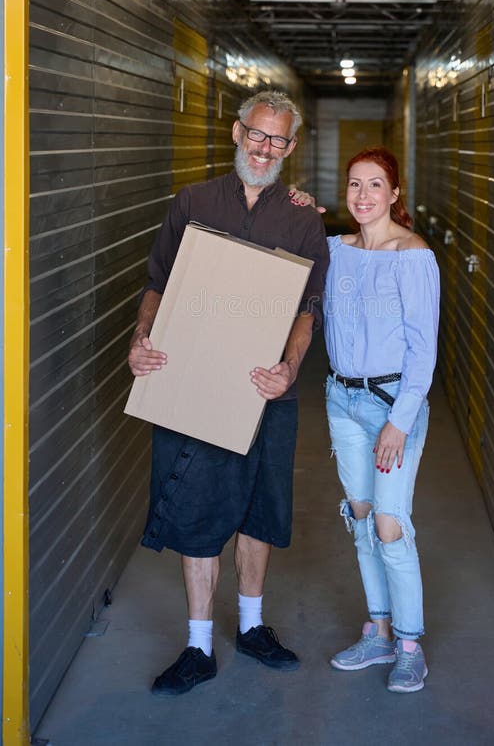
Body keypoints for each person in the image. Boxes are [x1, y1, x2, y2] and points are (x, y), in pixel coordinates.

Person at [128, 90, 329, 697]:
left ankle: (250, 626)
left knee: (259, 512)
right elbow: (157, 284)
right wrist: (140, 339)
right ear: (237, 133)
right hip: (195, 385)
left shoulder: (302, 218)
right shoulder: (192, 203)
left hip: (266, 390)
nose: (264, 148)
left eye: (278, 140)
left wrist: (291, 367)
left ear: (290, 148)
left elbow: (306, 309)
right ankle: (196, 644)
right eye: (256, 134)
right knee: (195, 510)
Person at [323, 146, 439, 694]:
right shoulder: (335, 250)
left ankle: (411, 647)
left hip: (392, 407)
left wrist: (400, 420)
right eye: (354, 184)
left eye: (374, 185)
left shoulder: (412, 255)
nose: (362, 195)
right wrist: (295, 203)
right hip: (341, 401)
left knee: (391, 528)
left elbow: (423, 352)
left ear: (394, 194)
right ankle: (381, 631)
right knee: (363, 519)